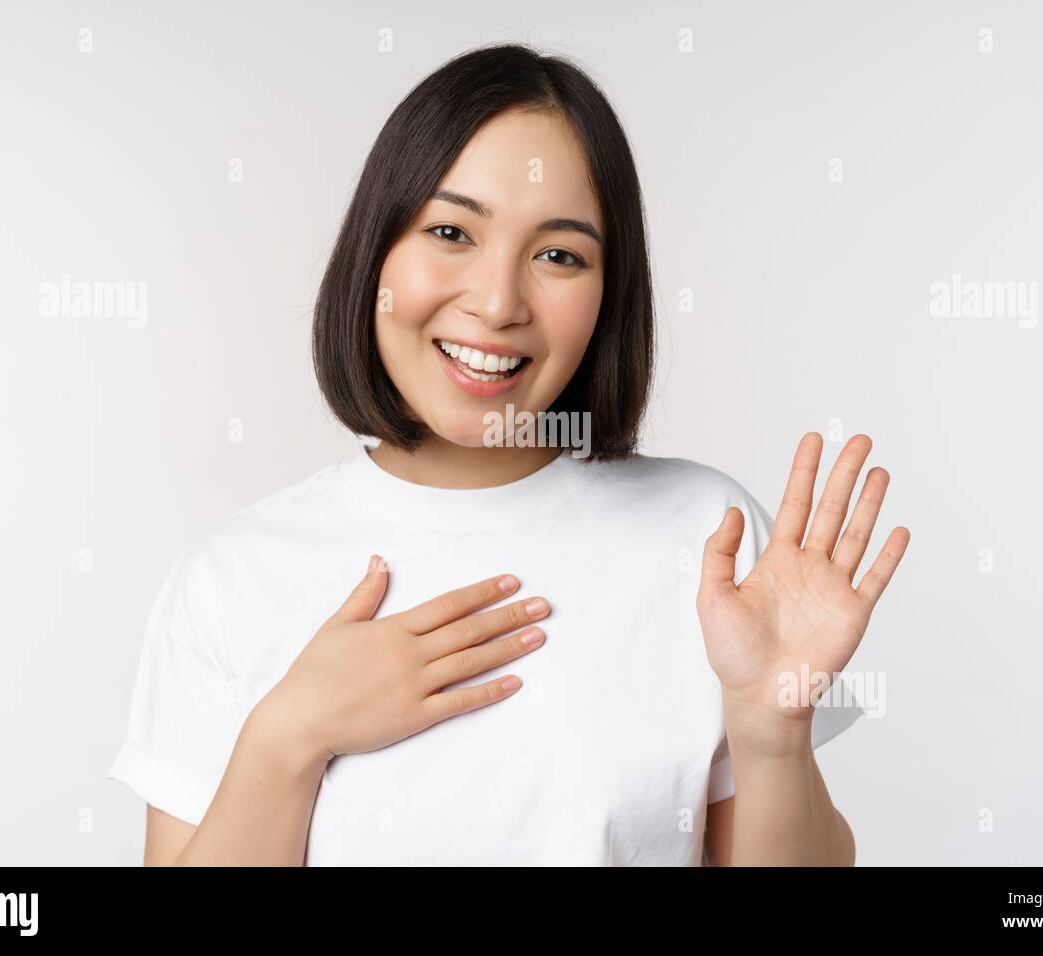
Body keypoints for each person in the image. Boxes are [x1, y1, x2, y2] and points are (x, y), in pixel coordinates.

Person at [107, 42, 910, 866]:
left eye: (559, 255)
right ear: (375, 250)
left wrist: (773, 729)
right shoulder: (231, 577)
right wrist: (288, 737)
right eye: (451, 231)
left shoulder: (708, 541)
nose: (497, 303)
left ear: (609, 294)